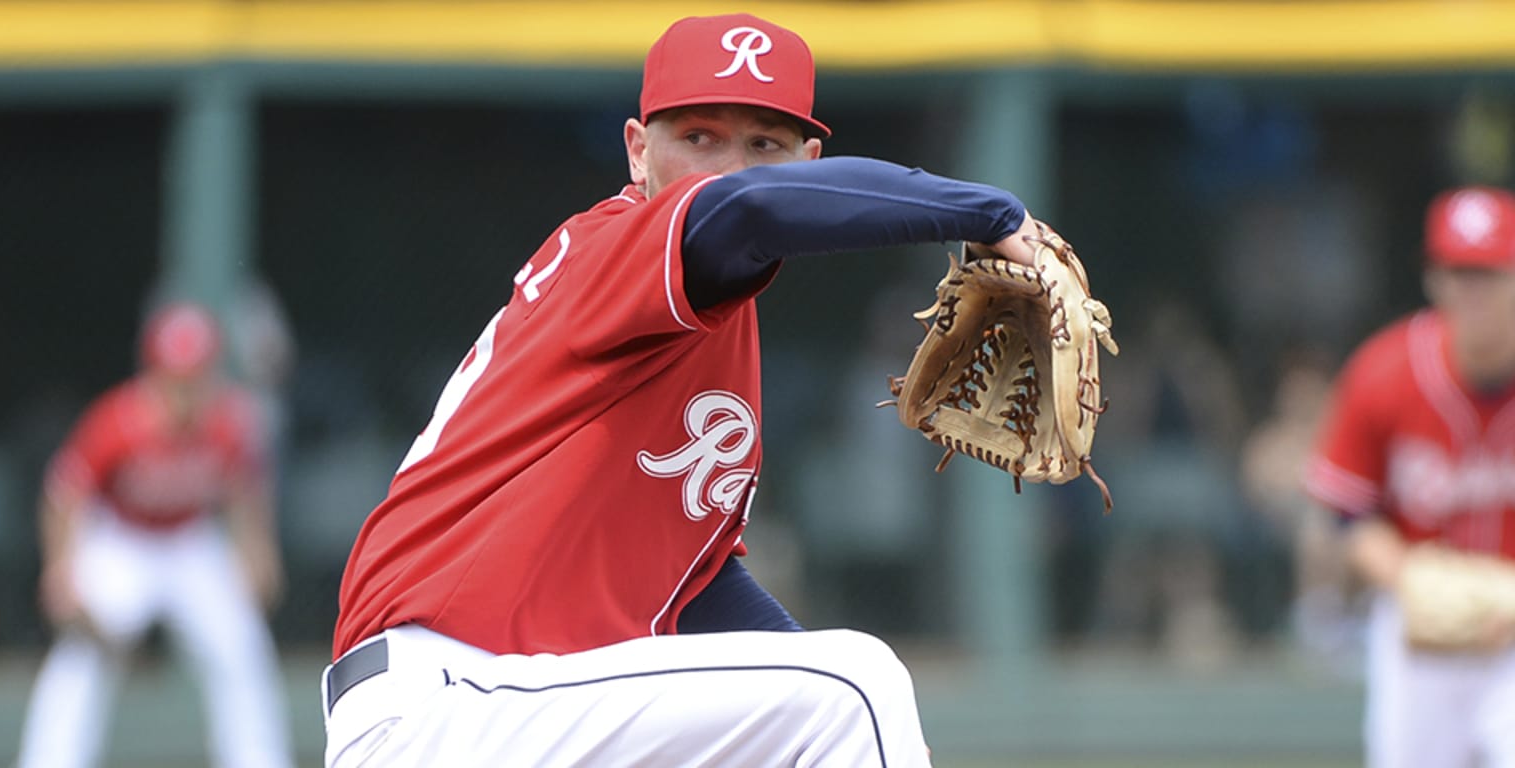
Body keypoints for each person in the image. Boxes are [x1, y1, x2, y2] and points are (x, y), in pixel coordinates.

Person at [325, 13, 1060, 767]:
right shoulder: (612, 249)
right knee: (859, 685)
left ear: (811, 160)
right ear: (639, 151)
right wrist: (990, 213)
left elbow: (699, 589)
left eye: (763, 145)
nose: (727, 167)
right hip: (447, 697)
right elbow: (748, 208)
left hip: (536, 708)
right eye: (698, 138)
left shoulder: (713, 335)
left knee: (829, 699)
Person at [16, 301, 293, 768]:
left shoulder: (229, 421)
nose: (187, 390)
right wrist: (62, 567)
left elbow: (247, 488)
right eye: (177, 377)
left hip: (190, 542)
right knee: (86, 651)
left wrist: (257, 551)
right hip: (123, 541)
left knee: (239, 642)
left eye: (197, 376)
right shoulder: (117, 421)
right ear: (154, 372)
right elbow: (63, 493)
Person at [1306, 185, 1515, 768]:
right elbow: (1348, 510)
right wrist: (1415, 582)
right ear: (1433, 277)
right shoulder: (1385, 370)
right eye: (1459, 272)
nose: (1472, 291)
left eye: (1489, 273)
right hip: (1420, 637)